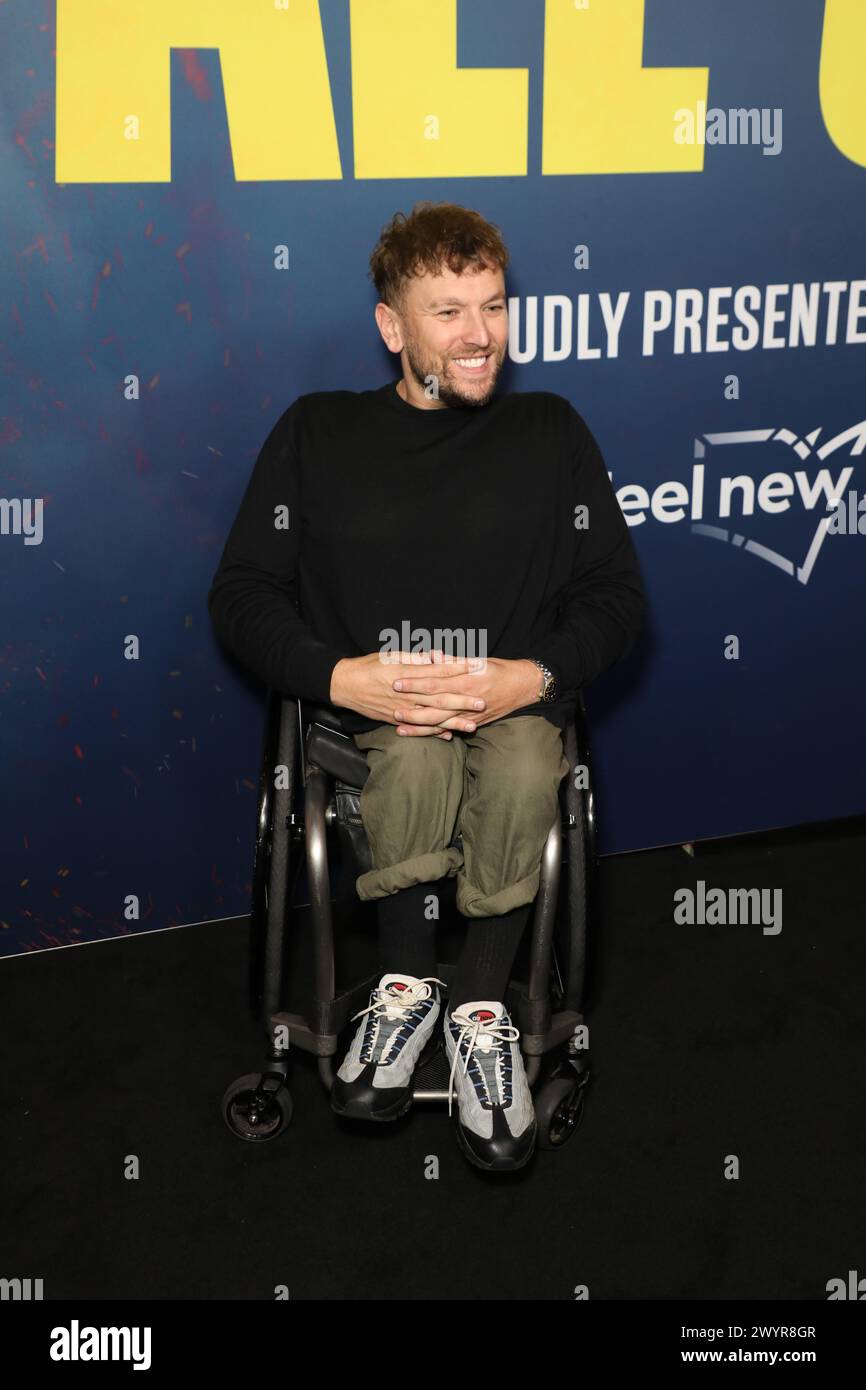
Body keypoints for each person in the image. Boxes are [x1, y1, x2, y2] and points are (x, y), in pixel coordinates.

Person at [207, 201, 646, 1173]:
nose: (478, 334)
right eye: (446, 311)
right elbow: (240, 594)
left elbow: (616, 601)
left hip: (514, 702)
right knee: (409, 753)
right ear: (390, 326)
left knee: (532, 754)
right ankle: (406, 984)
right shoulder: (318, 432)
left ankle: (481, 1003)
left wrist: (526, 676)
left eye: (491, 305)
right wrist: (342, 675)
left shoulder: (550, 431)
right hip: (372, 713)